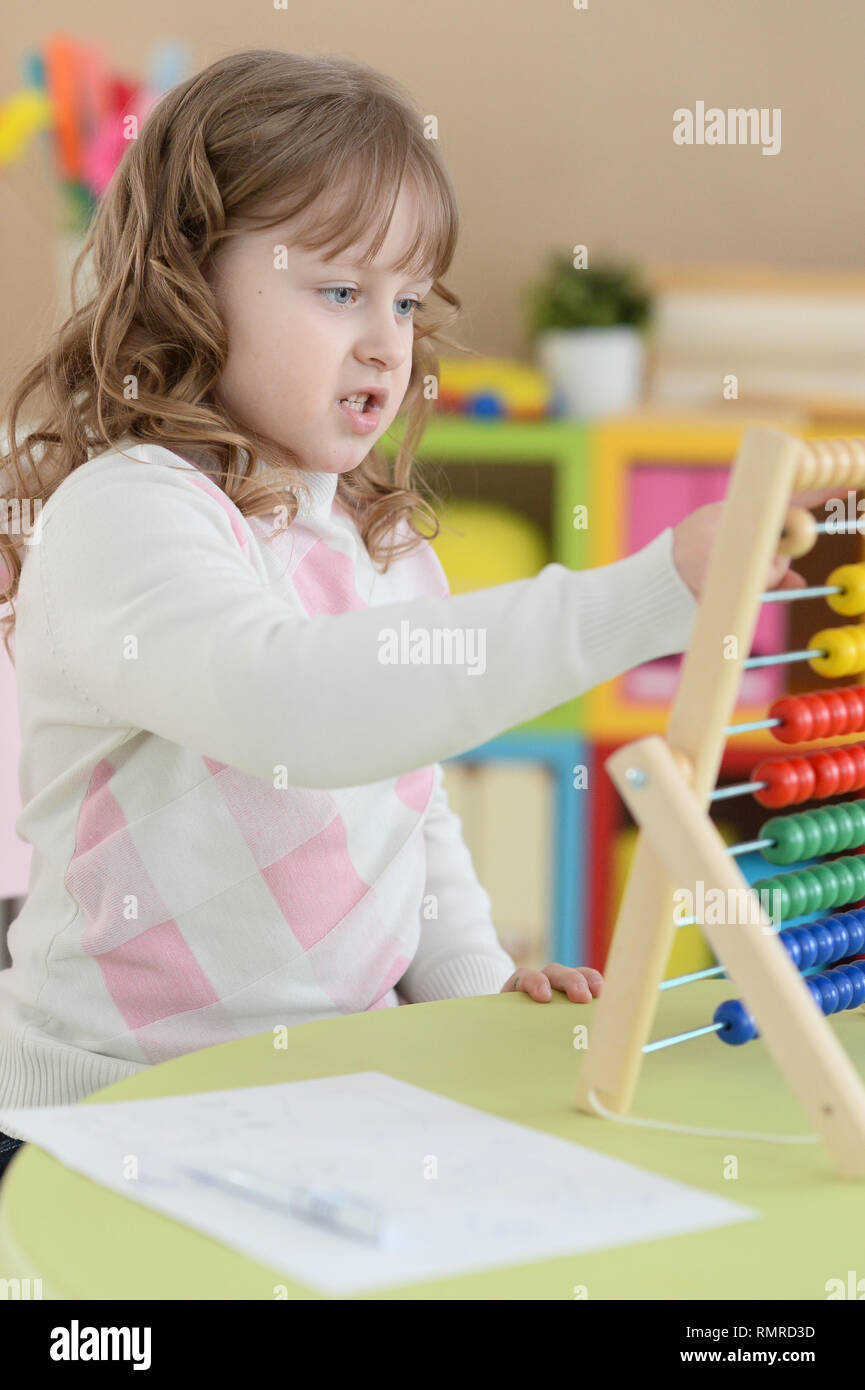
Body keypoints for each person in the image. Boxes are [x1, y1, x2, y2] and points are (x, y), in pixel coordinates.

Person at [0, 50, 824, 1161]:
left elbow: (410, 821)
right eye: (338, 291)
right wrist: (645, 594)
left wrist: (475, 996)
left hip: (332, 1100)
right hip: (104, 1118)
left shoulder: (379, 547)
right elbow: (292, 705)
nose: (386, 342)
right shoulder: (126, 516)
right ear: (186, 281)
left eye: (404, 300)